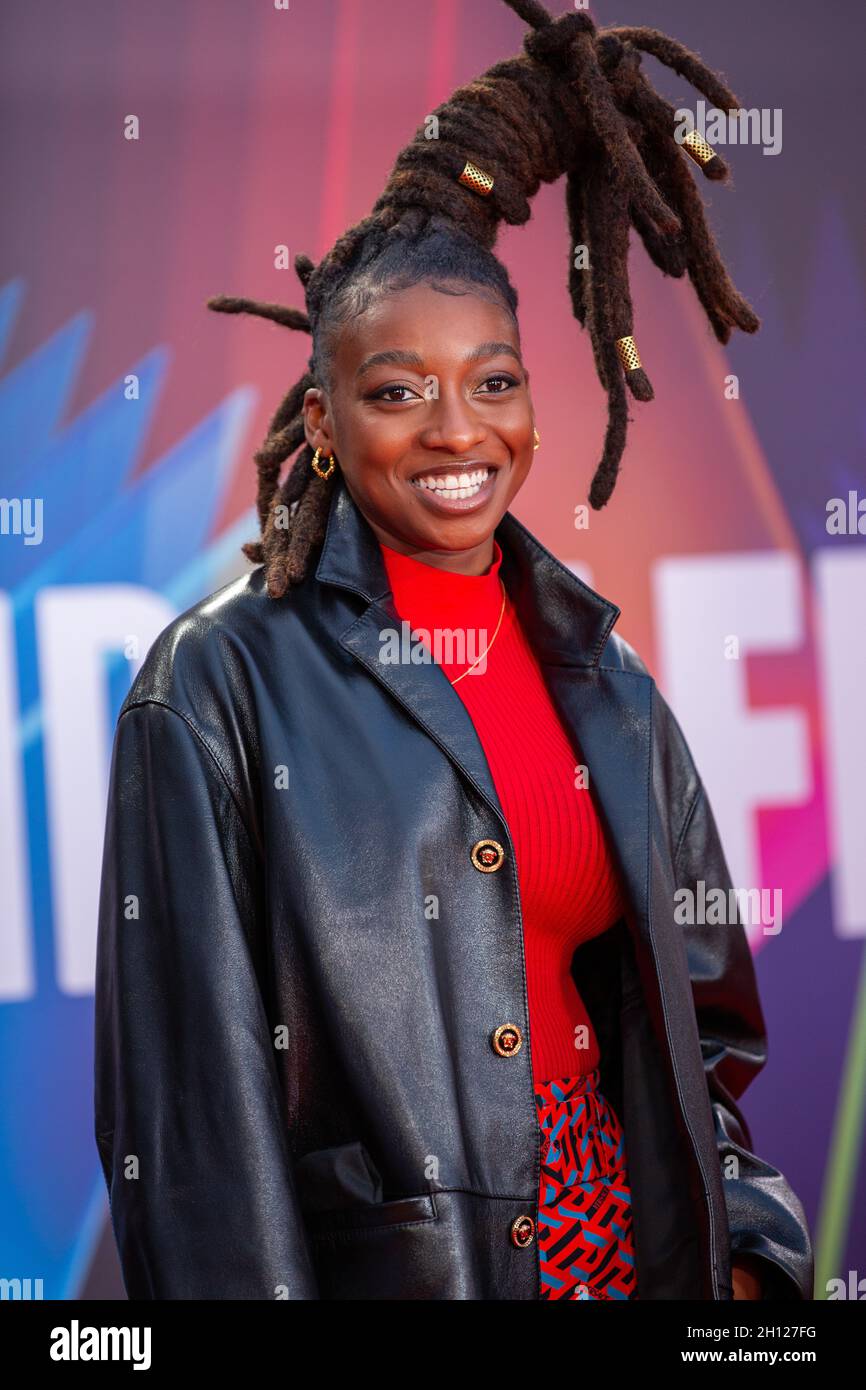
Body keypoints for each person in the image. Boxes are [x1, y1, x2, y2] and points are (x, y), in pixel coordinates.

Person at [93, 1, 813, 1300]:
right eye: (394, 388)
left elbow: (700, 1028)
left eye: (491, 379)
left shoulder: (606, 676)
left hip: (632, 1257)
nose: (453, 427)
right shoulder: (212, 687)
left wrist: (747, 1260)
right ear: (322, 416)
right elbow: (194, 1133)